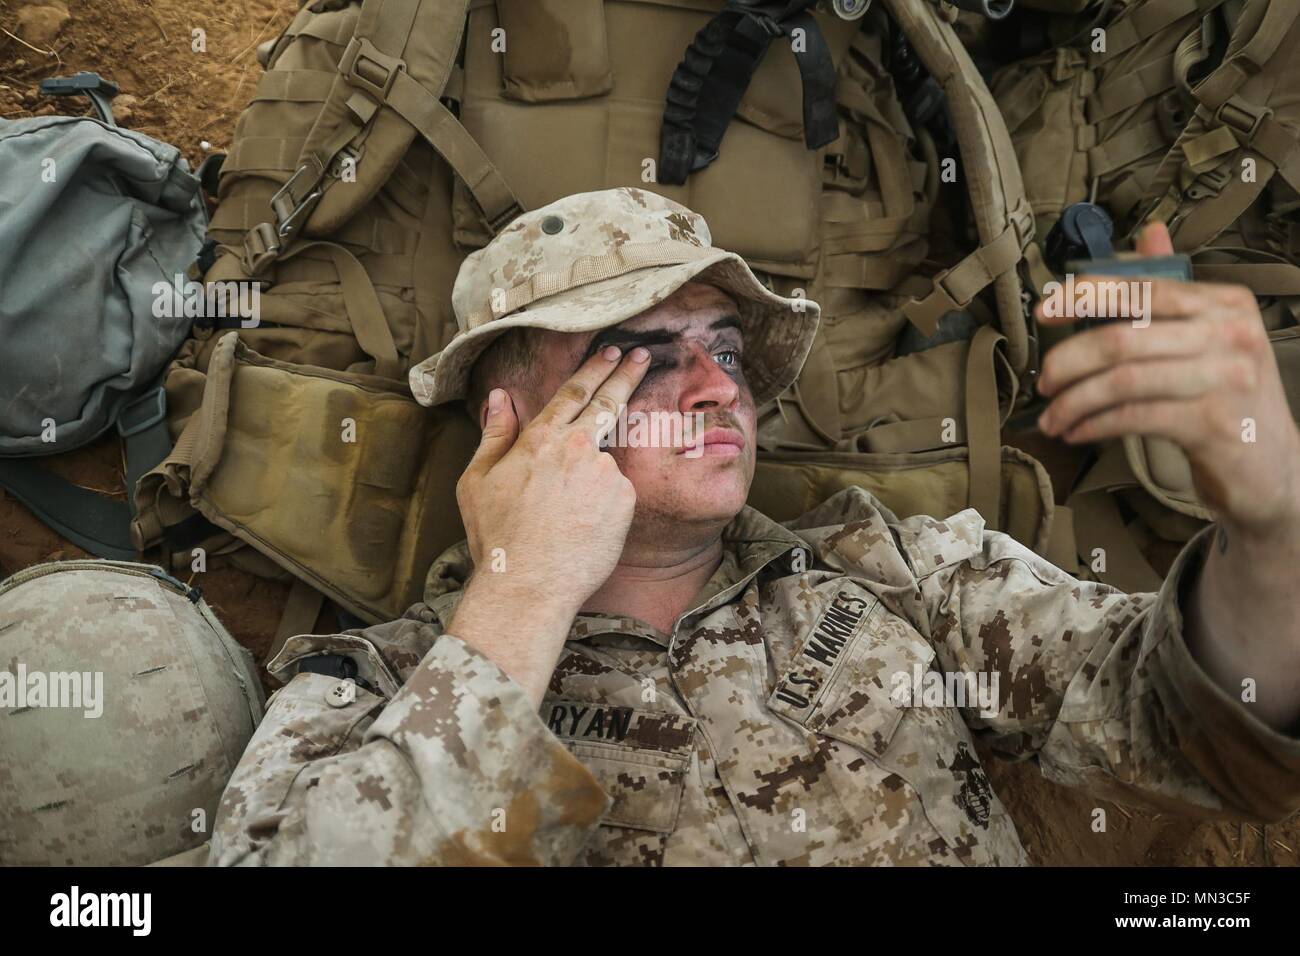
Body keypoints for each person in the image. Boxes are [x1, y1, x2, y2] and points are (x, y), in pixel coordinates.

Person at [209, 187, 1300, 866]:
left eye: (724, 349)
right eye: (640, 350)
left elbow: (1179, 719)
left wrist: (1274, 532)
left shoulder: (891, 569)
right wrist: (522, 593)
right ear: (513, 418)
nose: (714, 387)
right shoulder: (379, 688)